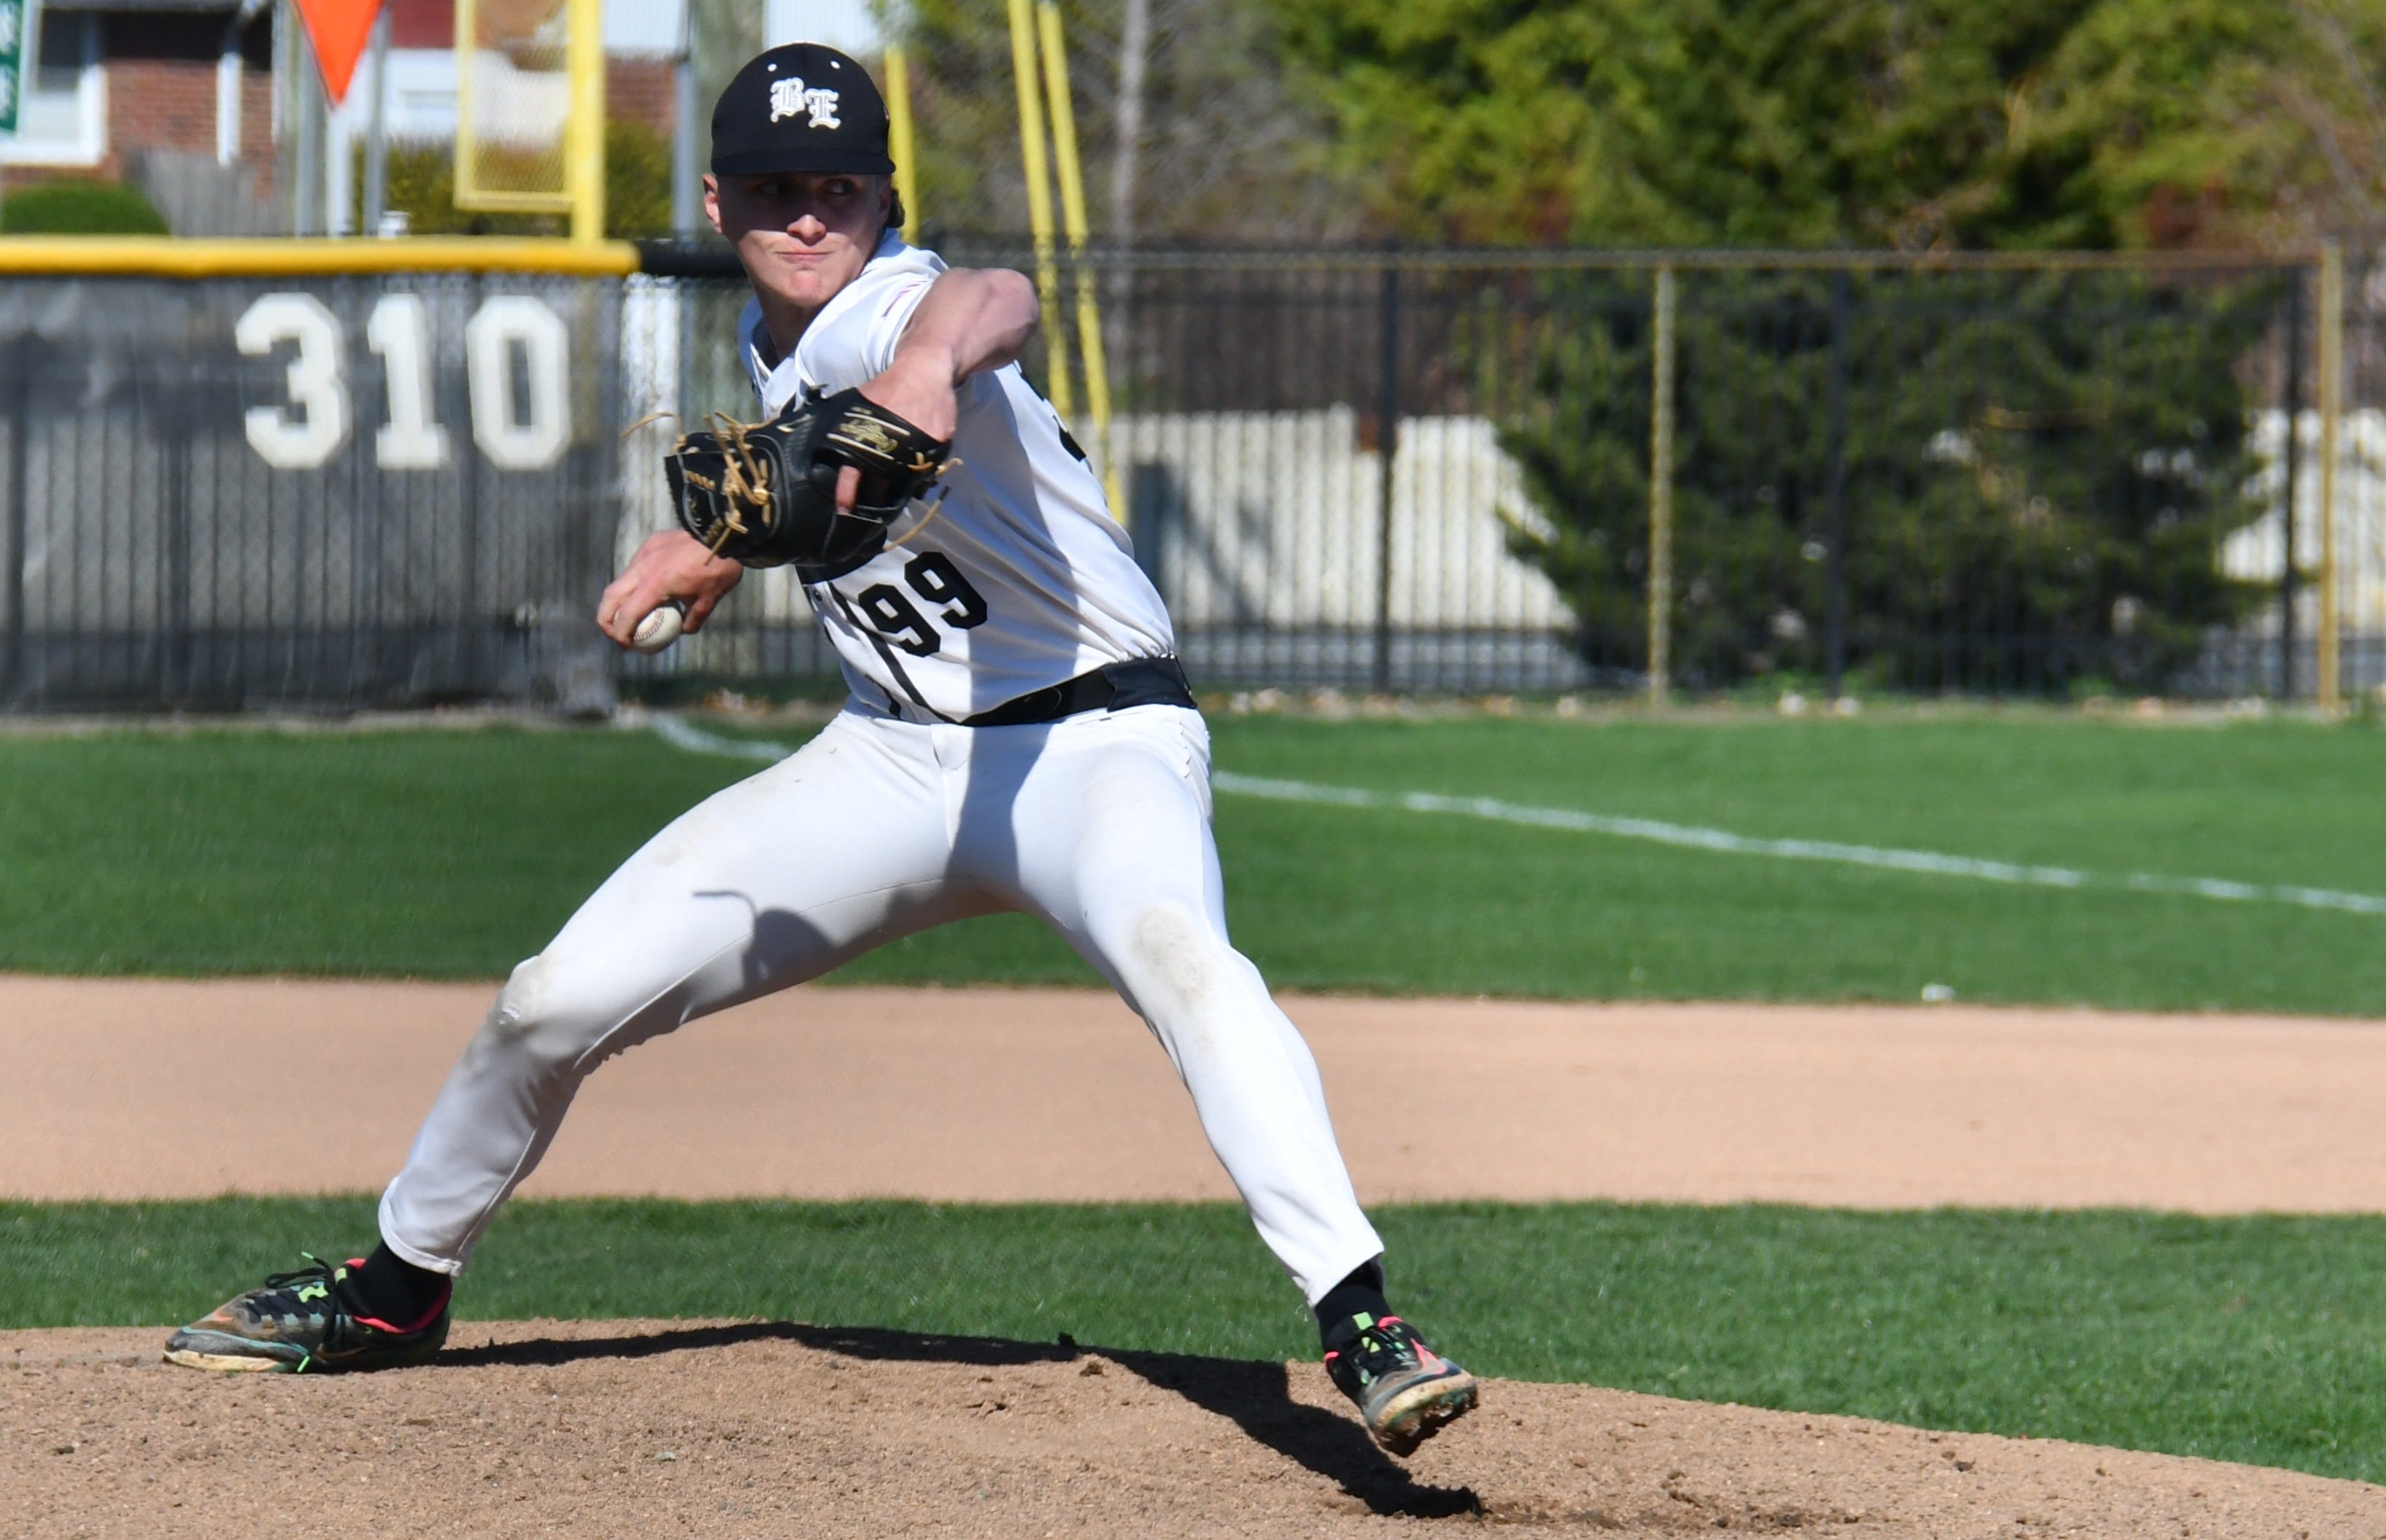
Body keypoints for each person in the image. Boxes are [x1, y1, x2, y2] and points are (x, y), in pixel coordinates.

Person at [163, 42, 1478, 1456]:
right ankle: (397, 1287)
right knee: (551, 998)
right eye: (780, 189)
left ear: (882, 200)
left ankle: (1358, 1319)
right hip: (893, 765)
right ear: (722, 201)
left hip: (1095, 751)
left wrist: (923, 362)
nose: (810, 216)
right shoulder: (775, 346)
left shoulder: (898, 308)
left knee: (1192, 972)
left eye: (839, 188)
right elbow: (826, 471)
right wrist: (730, 543)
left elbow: (997, 299)